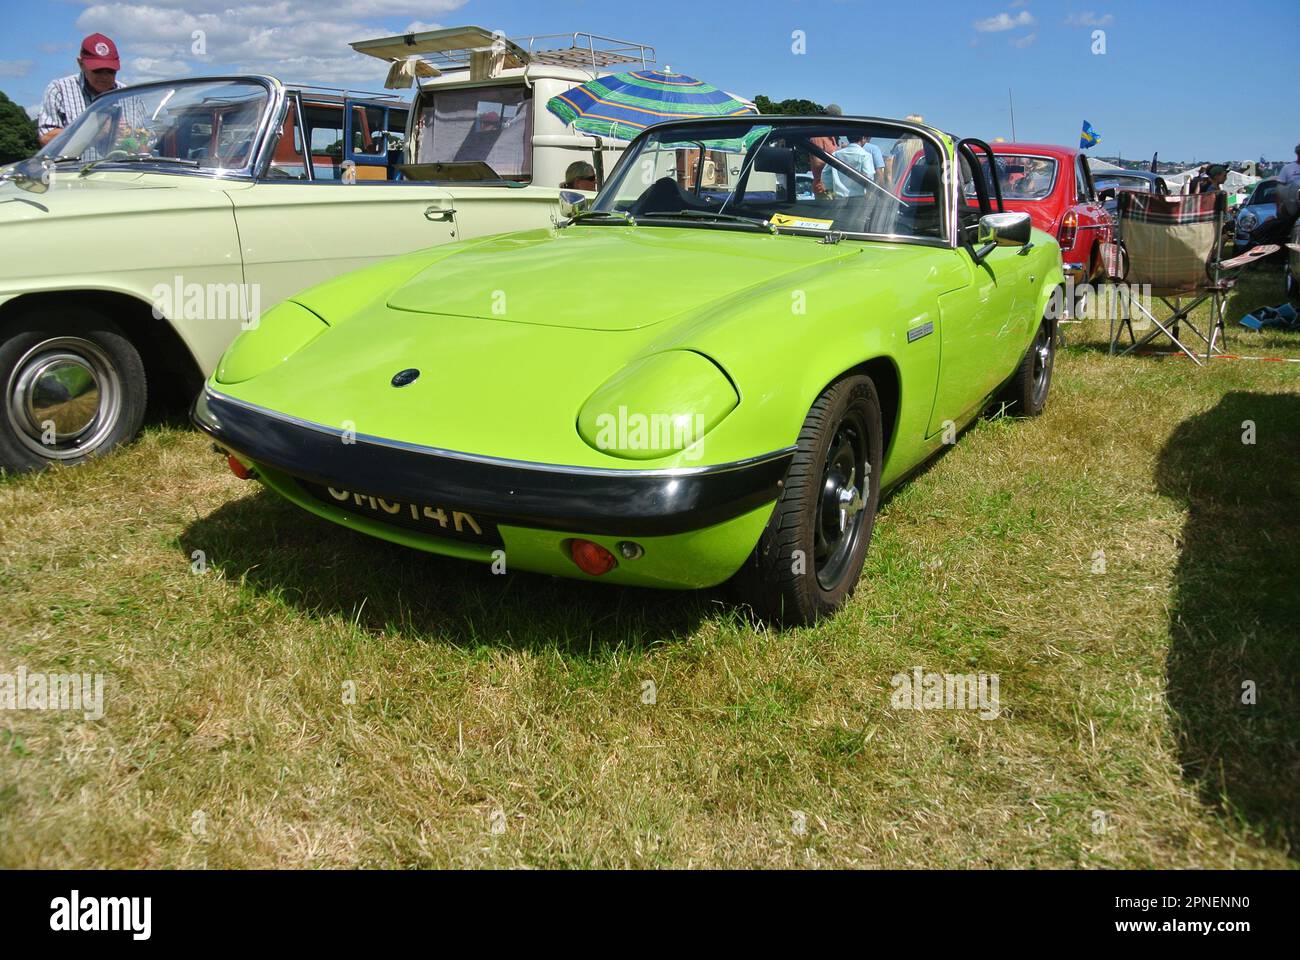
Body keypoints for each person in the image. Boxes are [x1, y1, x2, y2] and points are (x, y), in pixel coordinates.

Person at [36, 33, 124, 147]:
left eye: (111, 71)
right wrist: (93, 131)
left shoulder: (131, 96)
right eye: (97, 70)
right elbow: (46, 137)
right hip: (74, 165)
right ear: (81, 64)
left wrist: (132, 136)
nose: (104, 76)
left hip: (118, 164)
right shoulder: (59, 90)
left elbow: (146, 143)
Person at [809, 104, 842, 197]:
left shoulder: (832, 137)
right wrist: (840, 163)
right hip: (823, 188)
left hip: (832, 187)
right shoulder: (818, 136)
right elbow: (818, 163)